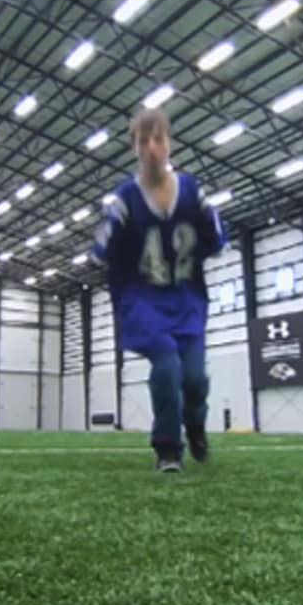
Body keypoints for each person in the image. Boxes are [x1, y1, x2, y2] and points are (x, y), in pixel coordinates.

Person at [91, 107, 228, 472]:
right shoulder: (126, 199)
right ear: (134, 148)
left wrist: (207, 215)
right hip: (145, 302)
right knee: (167, 366)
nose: (151, 148)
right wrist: (112, 233)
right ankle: (168, 448)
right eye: (143, 140)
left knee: (195, 379)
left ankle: (196, 426)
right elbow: (101, 250)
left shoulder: (191, 191)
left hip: (186, 300)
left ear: (170, 145)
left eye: (158, 139)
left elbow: (216, 239)